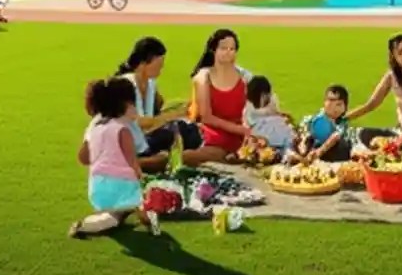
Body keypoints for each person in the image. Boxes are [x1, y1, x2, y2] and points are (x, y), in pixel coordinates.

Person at [69, 78, 161, 239]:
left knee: (119, 207)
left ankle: (98, 220)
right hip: (120, 184)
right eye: (133, 103)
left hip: (98, 186)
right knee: (133, 203)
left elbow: (83, 158)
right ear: (124, 105)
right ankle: (143, 219)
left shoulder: (96, 124)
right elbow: (133, 163)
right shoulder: (123, 129)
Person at [110, 36, 192, 172]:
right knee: (176, 129)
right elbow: (140, 122)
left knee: (185, 128)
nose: (162, 68)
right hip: (129, 140)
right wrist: (173, 115)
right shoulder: (125, 85)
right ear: (144, 63)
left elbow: (160, 108)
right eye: (159, 64)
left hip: (142, 137)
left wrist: (182, 106)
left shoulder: (150, 83)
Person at [183, 29, 263, 165]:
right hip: (214, 135)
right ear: (214, 50)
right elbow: (206, 117)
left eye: (232, 49)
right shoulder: (203, 77)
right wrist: (240, 130)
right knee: (190, 157)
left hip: (244, 136)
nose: (228, 52)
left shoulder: (245, 77)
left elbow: (258, 105)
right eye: (223, 48)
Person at [298, 85, 354, 163]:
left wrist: (320, 151)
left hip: (332, 153)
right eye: (330, 104)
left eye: (339, 104)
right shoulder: (315, 119)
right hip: (313, 148)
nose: (335, 109)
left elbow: (336, 136)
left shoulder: (341, 123)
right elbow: (304, 131)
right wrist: (303, 143)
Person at [244, 75, 297, 153]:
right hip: (256, 129)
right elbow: (247, 122)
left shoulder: (272, 99)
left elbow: (275, 114)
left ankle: (286, 150)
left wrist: (285, 117)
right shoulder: (248, 104)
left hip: (273, 125)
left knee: (281, 126)